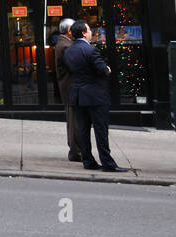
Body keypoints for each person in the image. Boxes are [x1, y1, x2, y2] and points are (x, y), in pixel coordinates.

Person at [63, 20, 126, 172]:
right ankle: (107, 163)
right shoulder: (91, 50)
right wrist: (108, 69)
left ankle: (88, 161)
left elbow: (71, 71)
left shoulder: (69, 51)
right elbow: (102, 71)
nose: (91, 32)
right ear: (84, 33)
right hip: (95, 96)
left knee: (83, 130)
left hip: (78, 95)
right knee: (100, 130)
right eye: (89, 30)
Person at [52, 16, 82, 162]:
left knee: (75, 121)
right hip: (70, 88)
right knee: (74, 121)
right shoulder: (66, 46)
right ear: (70, 31)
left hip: (70, 88)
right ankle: (75, 152)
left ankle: (77, 150)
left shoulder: (65, 43)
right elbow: (75, 66)